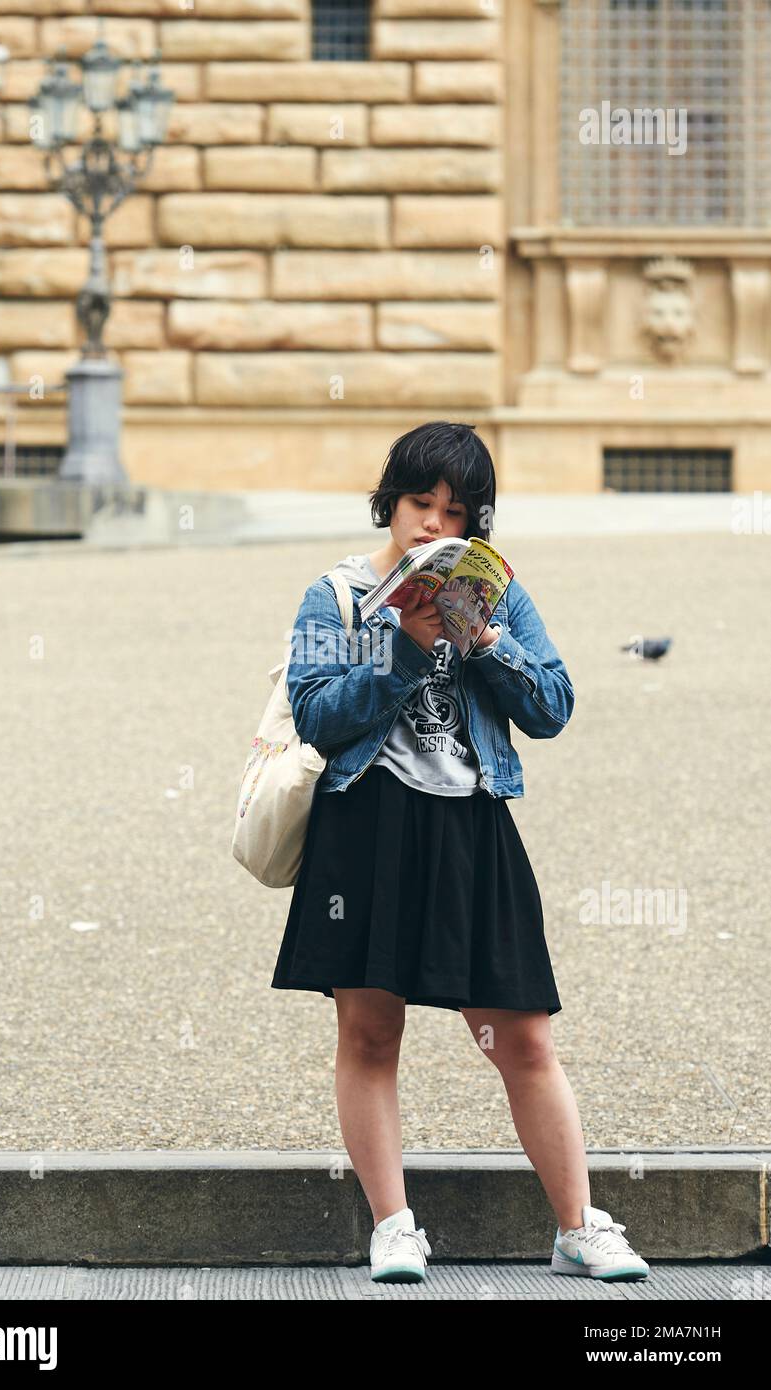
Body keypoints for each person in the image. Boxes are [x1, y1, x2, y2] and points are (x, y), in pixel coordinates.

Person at [271, 421, 649, 1285]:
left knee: (522, 1035)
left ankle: (576, 1225)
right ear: (390, 502)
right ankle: (394, 1225)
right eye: (419, 504)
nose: (433, 526)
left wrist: (482, 639)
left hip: (472, 826)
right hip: (366, 829)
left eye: (454, 513)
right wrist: (404, 648)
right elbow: (318, 720)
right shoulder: (331, 597)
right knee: (369, 1033)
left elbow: (552, 707)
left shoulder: (499, 595)